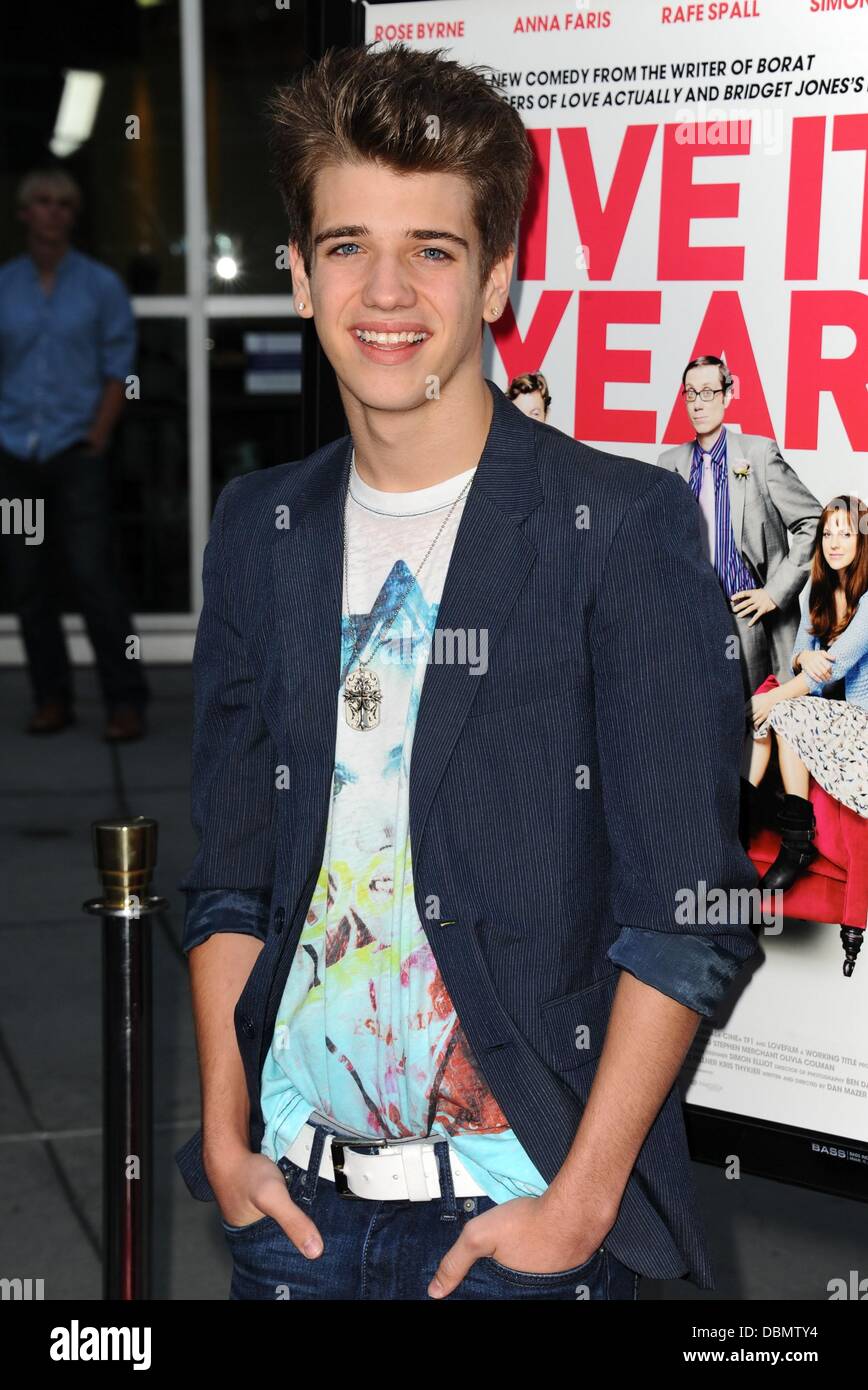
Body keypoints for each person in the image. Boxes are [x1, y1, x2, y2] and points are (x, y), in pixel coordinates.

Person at [174, 42, 761, 1302]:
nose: (386, 291)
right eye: (345, 245)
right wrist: (227, 1135)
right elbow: (226, 876)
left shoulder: (622, 529)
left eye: (432, 250)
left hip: (517, 1226)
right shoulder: (258, 528)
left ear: (496, 277)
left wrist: (579, 1203)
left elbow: (689, 916)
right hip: (293, 1215)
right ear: (296, 272)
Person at [0, 167, 149, 740]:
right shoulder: (5, 287)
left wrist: (97, 439)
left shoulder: (100, 286)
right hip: (15, 457)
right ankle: (51, 698)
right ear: (23, 214)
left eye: (64, 203)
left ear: (73, 215)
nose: (53, 212)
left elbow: (119, 367)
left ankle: (125, 699)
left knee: (93, 576)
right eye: (42, 202)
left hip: (75, 453)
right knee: (27, 578)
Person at [656, 358, 823, 713]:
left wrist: (773, 593)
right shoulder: (669, 463)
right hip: (693, 618)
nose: (698, 402)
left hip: (749, 619)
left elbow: (813, 522)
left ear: (727, 395)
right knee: (696, 715)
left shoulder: (758, 455)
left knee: (752, 722)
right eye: (690, 394)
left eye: (707, 392)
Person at [746, 496, 868, 889]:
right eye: (827, 533)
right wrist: (802, 656)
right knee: (774, 712)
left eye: (845, 534)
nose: (834, 543)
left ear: (862, 540)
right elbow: (802, 656)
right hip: (824, 710)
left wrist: (772, 697)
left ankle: (797, 841)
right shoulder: (813, 590)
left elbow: (835, 665)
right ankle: (738, 827)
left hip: (860, 719)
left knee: (777, 709)